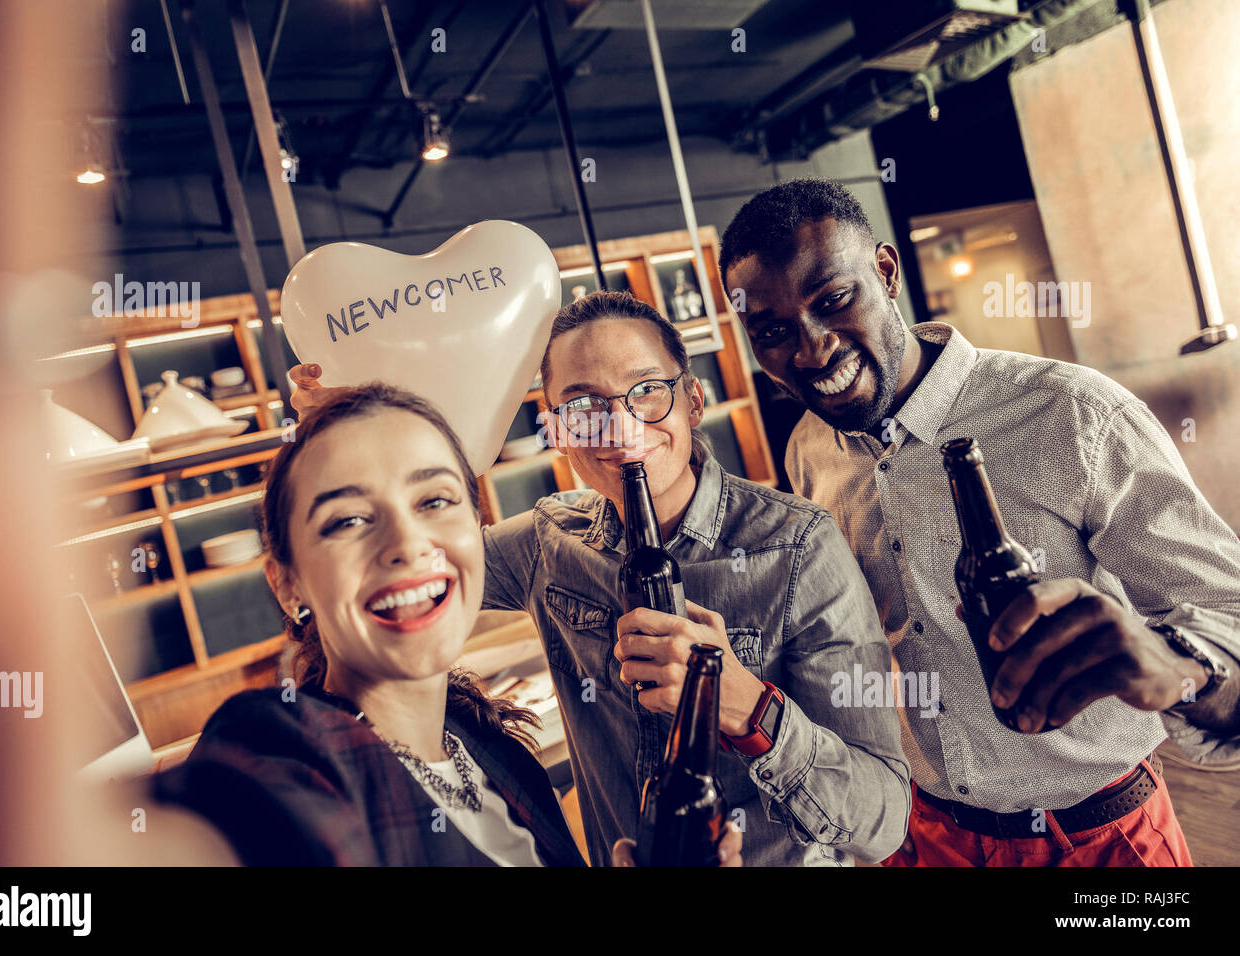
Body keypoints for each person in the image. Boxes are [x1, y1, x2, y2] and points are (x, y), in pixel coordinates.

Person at [719, 177, 1240, 866]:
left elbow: (1226, 610)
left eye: (833, 300)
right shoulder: (808, 449)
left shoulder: (1073, 413)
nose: (811, 350)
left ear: (885, 271)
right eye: (774, 332)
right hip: (927, 833)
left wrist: (1180, 664)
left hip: (1100, 838)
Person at [291, 292, 911, 867]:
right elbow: (405, 569)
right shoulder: (547, 540)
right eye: (584, 407)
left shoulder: (798, 545)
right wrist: (350, 444)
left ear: (693, 401)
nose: (620, 429)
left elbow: (883, 817)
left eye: (646, 391)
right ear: (558, 430)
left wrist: (746, 707)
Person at [154, 382, 742, 866]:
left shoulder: (494, 751)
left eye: (434, 501)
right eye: (348, 519)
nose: (408, 544)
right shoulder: (286, 750)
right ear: (287, 584)